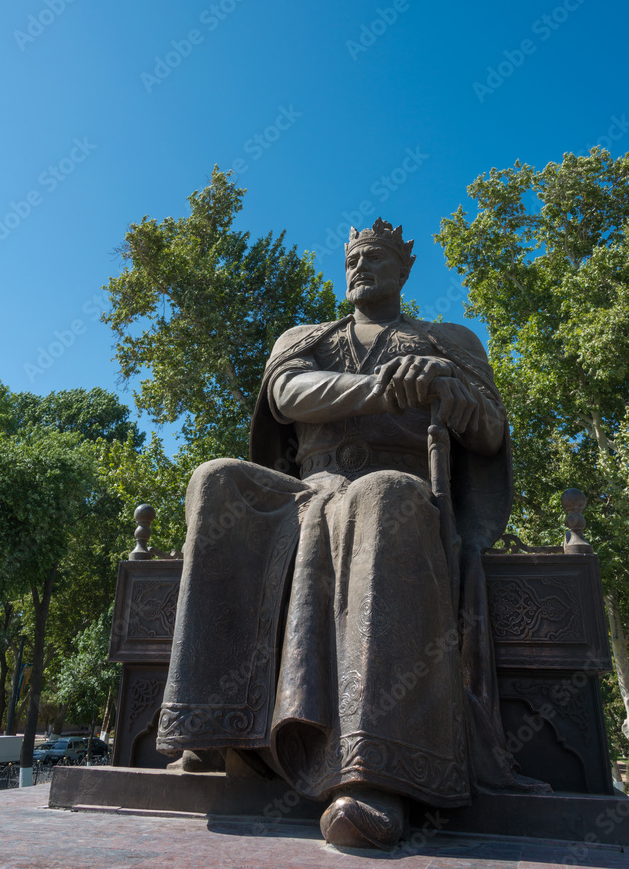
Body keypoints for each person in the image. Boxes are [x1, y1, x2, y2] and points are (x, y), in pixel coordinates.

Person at [157, 218, 530, 850]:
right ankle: (213, 728)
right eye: (354, 258)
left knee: (380, 496)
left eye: (376, 258)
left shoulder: (448, 340)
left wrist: (447, 390)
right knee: (217, 479)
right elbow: (287, 393)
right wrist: (382, 390)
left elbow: (491, 431)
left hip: (404, 490)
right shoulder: (306, 338)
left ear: (404, 270)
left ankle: (375, 773)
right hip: (307, 491)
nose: (361, 266)